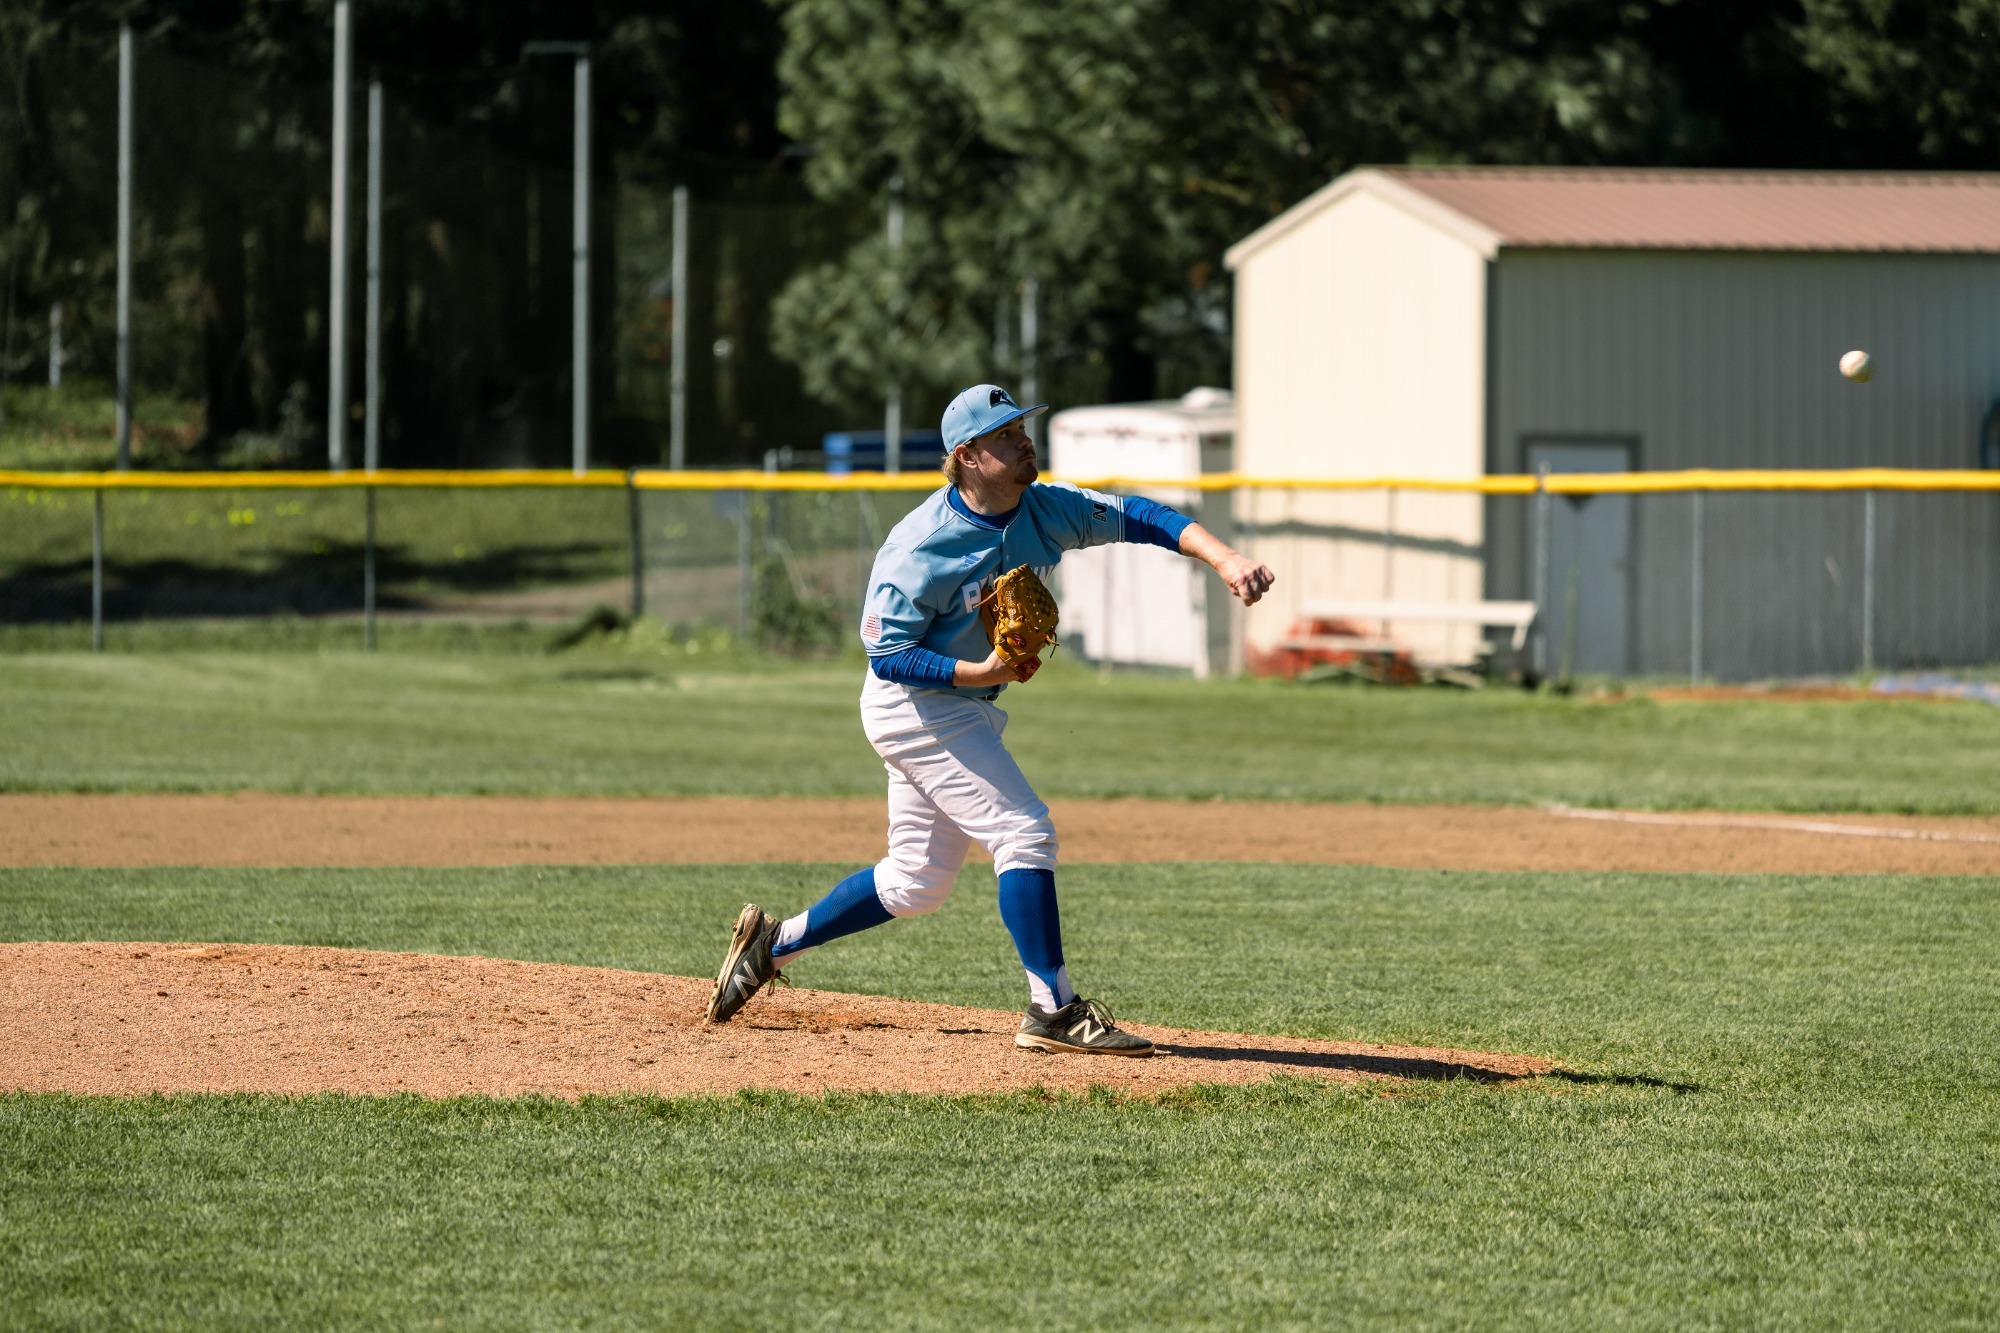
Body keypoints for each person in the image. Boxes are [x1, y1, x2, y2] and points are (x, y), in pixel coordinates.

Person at [706, 383, 1275, 1054]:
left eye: (1022, 428)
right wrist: (979, 673)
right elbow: (888, 653)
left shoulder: (1042, 508)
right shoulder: (920, 546)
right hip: (916, 704)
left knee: (914, 882)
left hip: (963, 706)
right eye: (1006, 435)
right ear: (968, 455)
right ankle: (1053, 1011)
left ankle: (771, 946)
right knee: (1024, 830)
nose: (1024, 439)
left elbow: (1139, 515)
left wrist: (1226, 559)